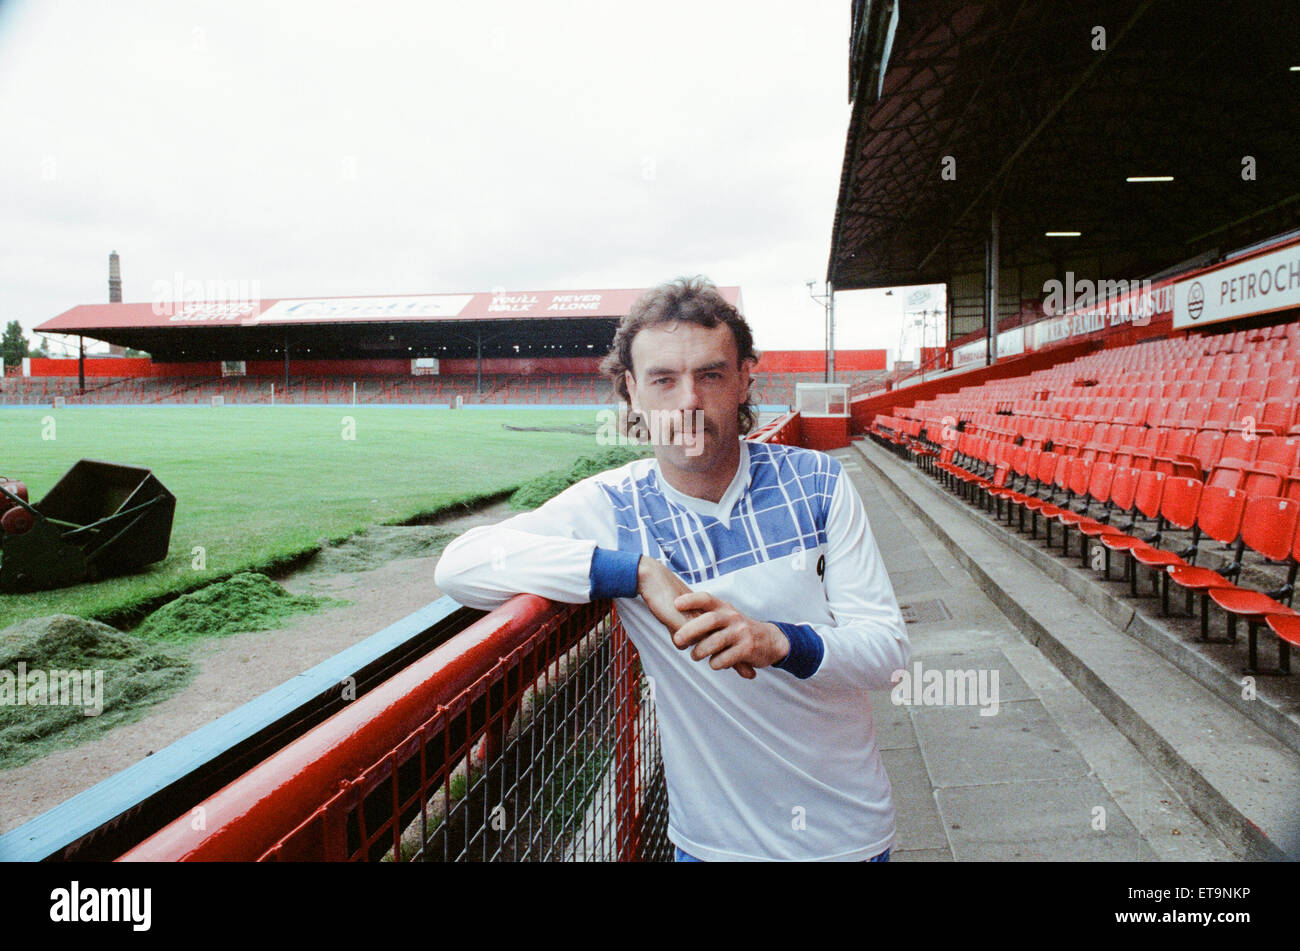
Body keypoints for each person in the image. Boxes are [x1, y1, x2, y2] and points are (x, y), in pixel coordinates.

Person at [433, 276, 909, 861]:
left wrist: (775, 641)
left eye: (710, 375)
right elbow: (459, 566)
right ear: (631, 391)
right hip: (711, 846)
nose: (687, 401)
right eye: (663, 379)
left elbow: (888, 656)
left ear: (743, 381)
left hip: (848, 838)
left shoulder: (819, 482)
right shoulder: (613, 506)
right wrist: (633, 571)